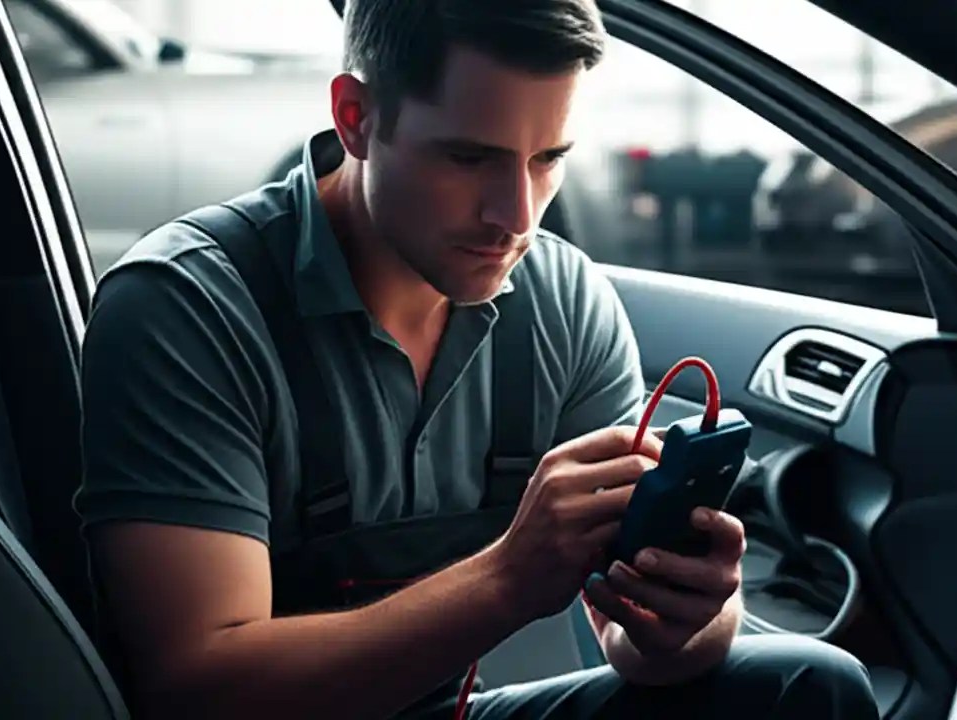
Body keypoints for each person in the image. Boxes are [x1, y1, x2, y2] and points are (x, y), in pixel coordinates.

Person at [74, 1, 880, 718]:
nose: (516, 216)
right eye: (469, 159)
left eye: (546, 159)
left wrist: (691, 617)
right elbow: (193, 691)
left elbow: (632, 646)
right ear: (356, 118)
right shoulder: (187, 308)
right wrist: (505, 579)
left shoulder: (563, 297)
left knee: (806, 686)